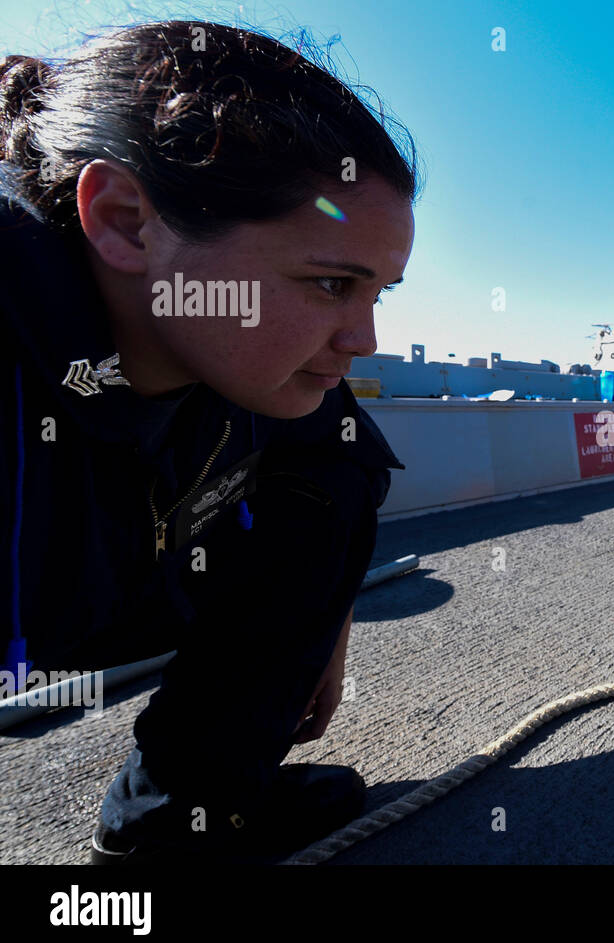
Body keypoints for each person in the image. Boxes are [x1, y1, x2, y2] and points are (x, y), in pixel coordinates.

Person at [0, 20, 418, 862]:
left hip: (95, 586)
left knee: (336, 464)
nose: (364, 337)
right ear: (124, 221)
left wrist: (317, 622)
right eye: (332, 282)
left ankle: (181, 815)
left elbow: (343, 456)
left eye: (379, 292)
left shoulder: (237, 360)